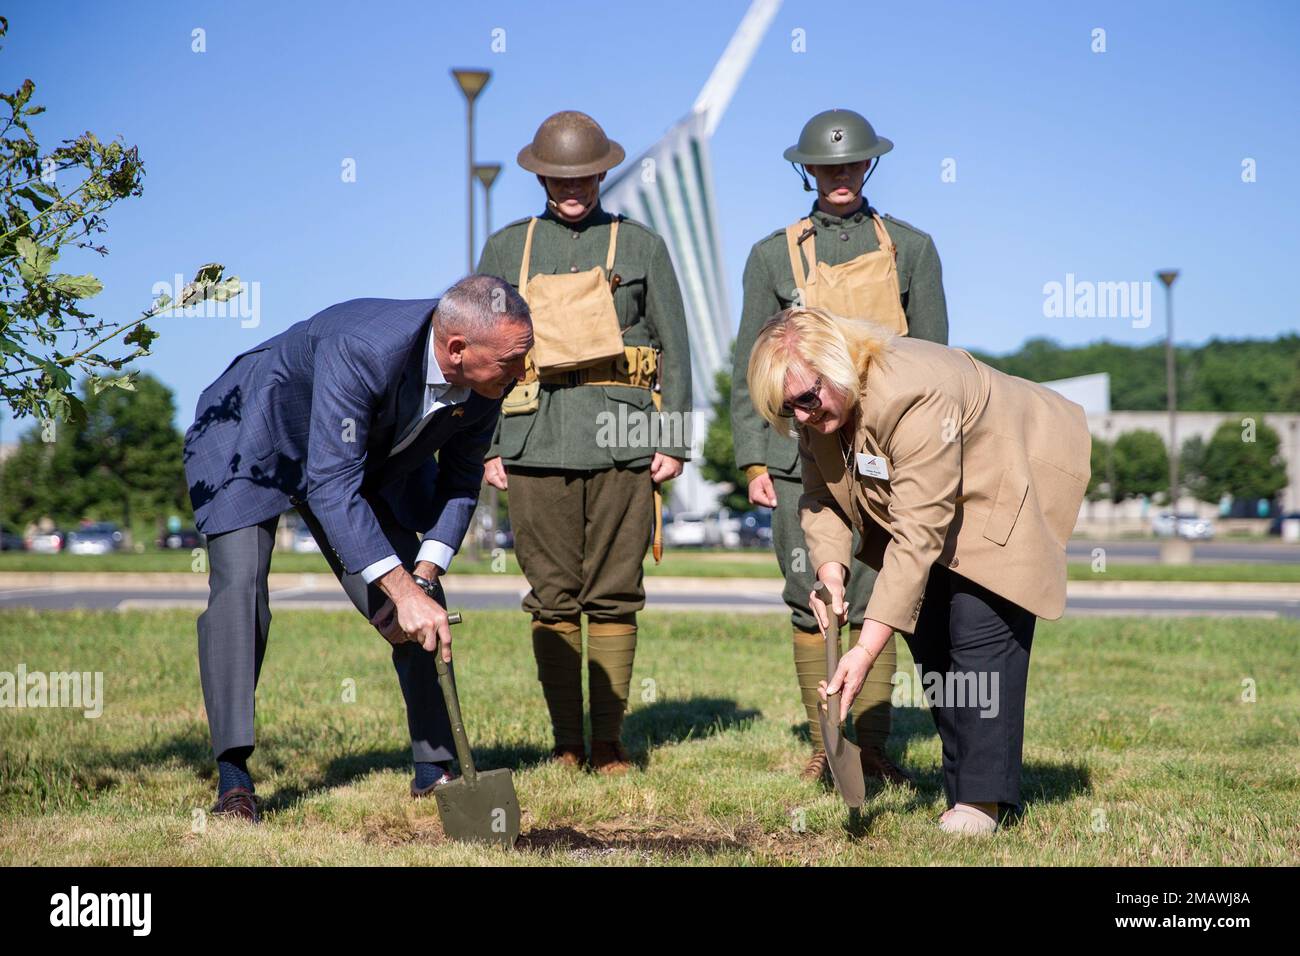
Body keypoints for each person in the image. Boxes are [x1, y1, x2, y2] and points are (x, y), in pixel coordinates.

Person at [183, 276, 533, 821]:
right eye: (513, 360)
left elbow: (462, 483)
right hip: (252, 436)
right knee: (240, 586)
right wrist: (397, 586)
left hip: (350, 461)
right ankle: (234, 779)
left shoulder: (487, 386)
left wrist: (418, 578)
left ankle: (435, 767)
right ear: (458, 348)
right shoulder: (364, 349)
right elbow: (329, 485)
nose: (522, 373)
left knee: (421, 600)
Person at [747, 307, 1090, 834]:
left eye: (808, 399)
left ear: (837, 367)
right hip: (933, 494)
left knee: (979, 627)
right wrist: (832, 572)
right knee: (929, 633)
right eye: (787, 407)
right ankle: (966, 787)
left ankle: (983, 804)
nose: (802, 416)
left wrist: (865, 650)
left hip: (1006, 472)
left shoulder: (913, 394)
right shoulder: (817, 410)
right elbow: (821, 498)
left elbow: (917, 533)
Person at [730, 109, 948, 785]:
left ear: (869, 165)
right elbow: (753, 360)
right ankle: (830, 743)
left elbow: (938, 358)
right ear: (807, 171)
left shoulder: (911, 247)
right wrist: (755, 456)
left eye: (852, 163)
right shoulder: (773, 255)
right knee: (812, 593)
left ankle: (873, 746)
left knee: (882, 589)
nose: (840, 175)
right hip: (803, 454)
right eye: (827, 166)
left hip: (891, 451)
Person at [477, 110, 692, 773]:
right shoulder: (505, 248)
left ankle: (608, 744)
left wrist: (674, 439)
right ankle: (567, 743)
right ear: (540, 175)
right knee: (551, 596)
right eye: (559, 177)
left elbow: (677, 348)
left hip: (626, 436)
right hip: (532, 438)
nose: (573, 187)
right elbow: (480, 354)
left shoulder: (642, 245)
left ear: (603, 171)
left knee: (616, 592)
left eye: (584, 175)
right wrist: (486, 446)